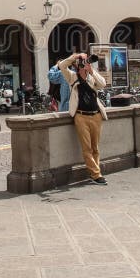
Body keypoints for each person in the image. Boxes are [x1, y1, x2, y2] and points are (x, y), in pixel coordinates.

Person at [59, 52, 108, 185]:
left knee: (95, 148)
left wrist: (91, 71)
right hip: (81, 116)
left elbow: (103, 84)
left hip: (96, 115)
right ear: (77, 65)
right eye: (82, 63)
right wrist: (74, 56)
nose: (84, 64)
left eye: (86, 62)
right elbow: (62, 66)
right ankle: (96, 174)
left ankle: (95, 173)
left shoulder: (92, 77)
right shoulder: (72, 76)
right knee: (87, 148)